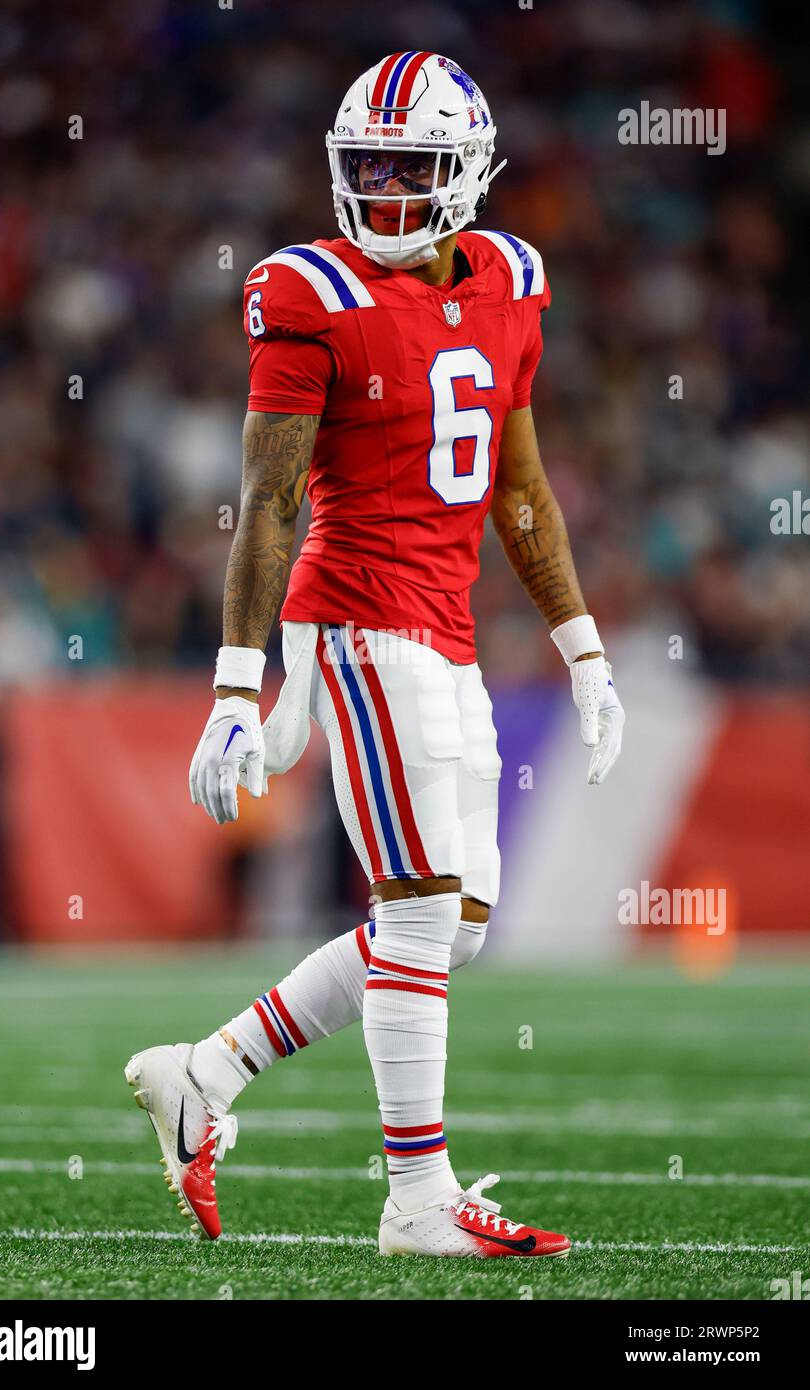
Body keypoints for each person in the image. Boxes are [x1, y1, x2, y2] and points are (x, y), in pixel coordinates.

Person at [125, 51, 624, 1258]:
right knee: (412, 908)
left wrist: (583, 647)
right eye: (370, 165)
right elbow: (270, 498)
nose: (388, 188)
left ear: (469, 175)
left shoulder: (509, 276)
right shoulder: (308, 293)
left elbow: (517, 486)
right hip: (354, 622)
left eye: (414, 165)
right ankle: (415, 1199)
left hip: (446, 635)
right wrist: (244, 680)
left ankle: (206, 1069)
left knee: (452, 926)